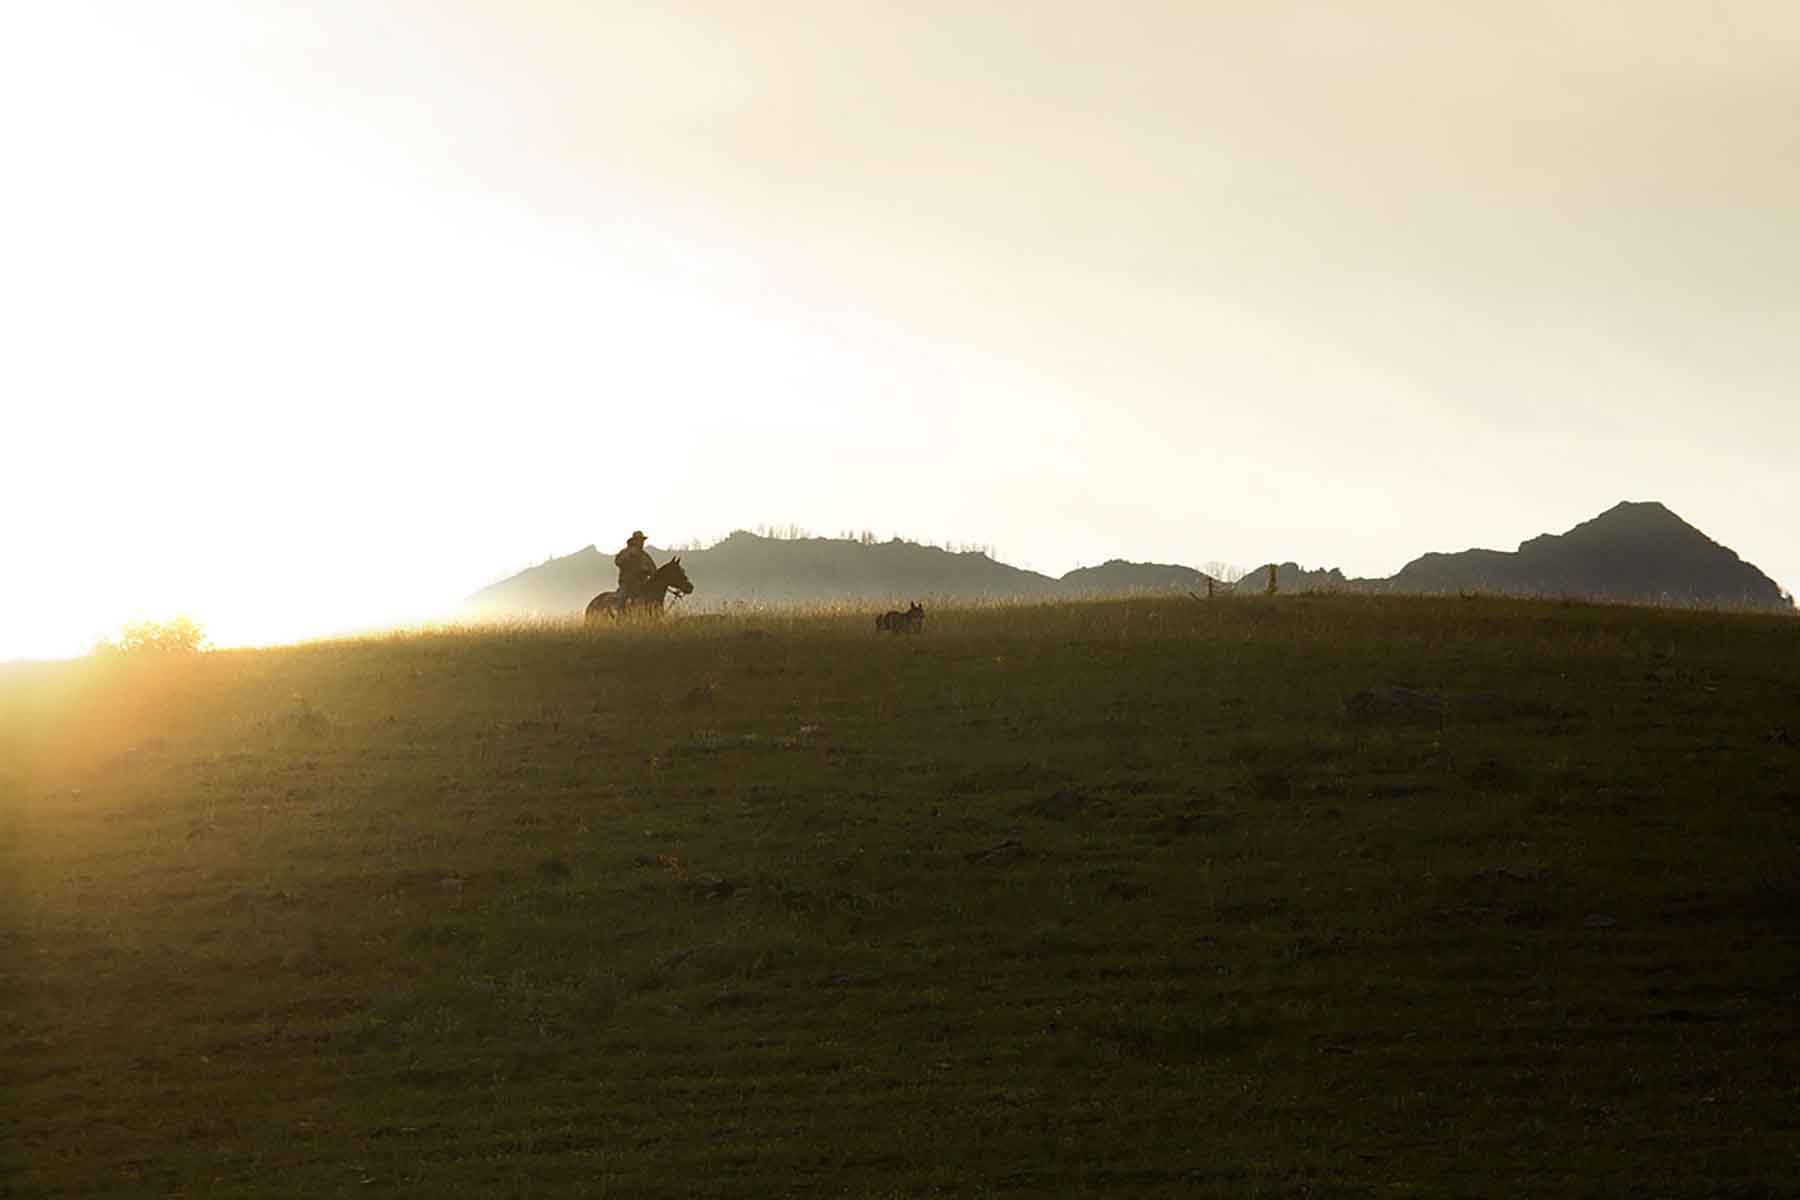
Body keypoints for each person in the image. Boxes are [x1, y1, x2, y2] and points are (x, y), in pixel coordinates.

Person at [614, 531, 656, 604]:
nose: (642, 542)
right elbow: (617, 562)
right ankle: (617, 612)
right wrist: (628, 557)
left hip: (642, 584)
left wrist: (647, 570)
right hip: (627, 583)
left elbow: (654, 570)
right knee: (622, 597)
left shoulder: (645, 556)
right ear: (634, 541)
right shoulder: (626, 552)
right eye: (640, 540)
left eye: (643, 540)